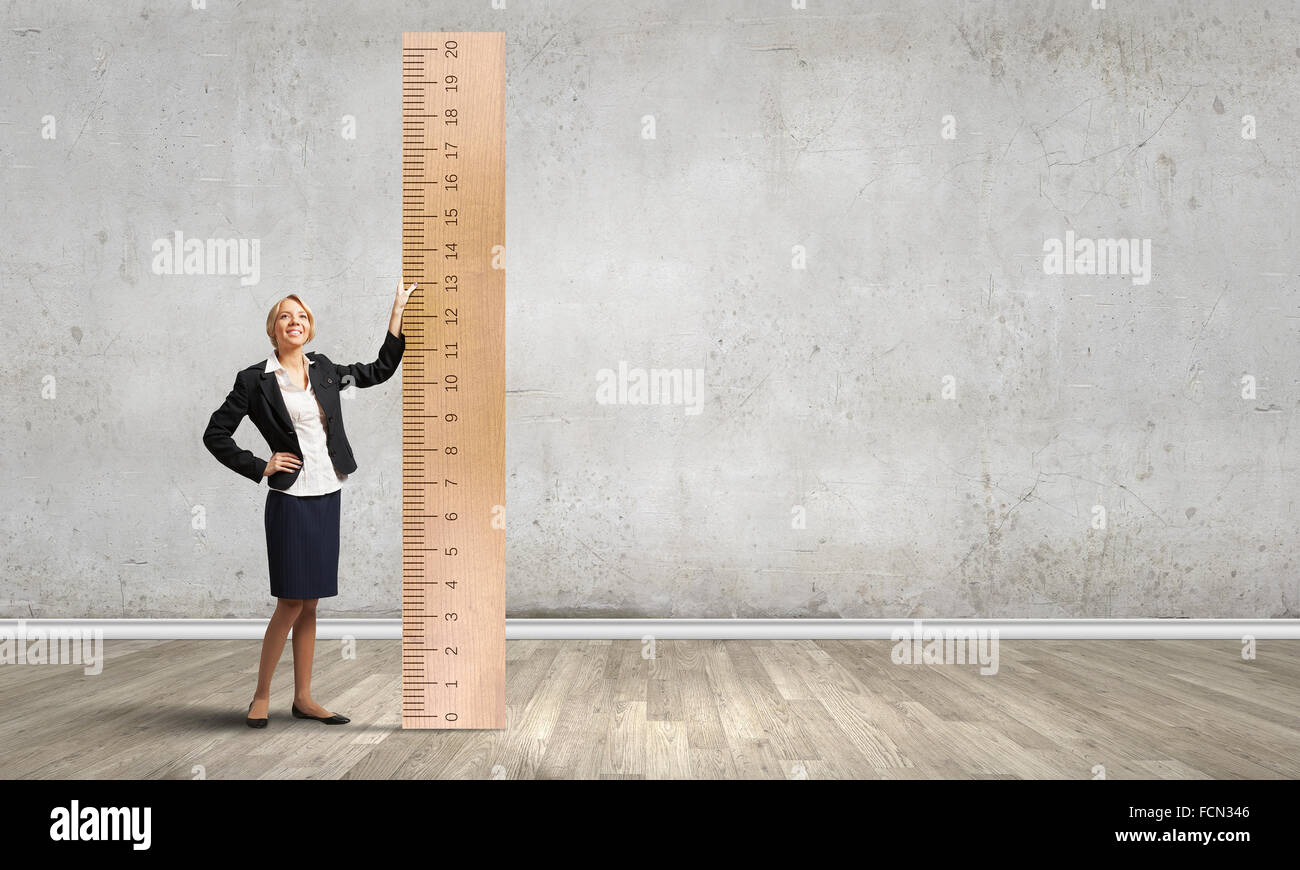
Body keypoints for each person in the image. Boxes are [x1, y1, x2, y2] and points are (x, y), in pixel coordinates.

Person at [203, 281, 416, 728]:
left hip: (327, 492)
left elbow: (379, 370)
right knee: (289, 602)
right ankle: (260, 695)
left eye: (301, 316)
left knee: (312, 602)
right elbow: (215, 434)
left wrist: (396, 310)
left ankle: (303, 698)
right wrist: (261, 465)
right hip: (290, 499)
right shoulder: (254, 380)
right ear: (273, 329)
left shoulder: (324, 369)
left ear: (309, 328)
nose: (294, 322)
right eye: (285, 316)